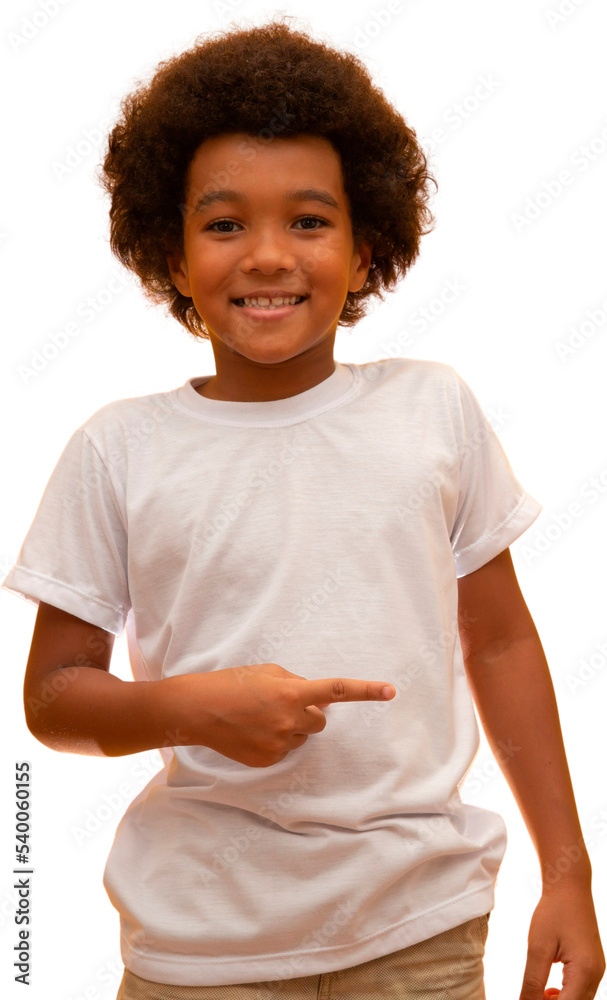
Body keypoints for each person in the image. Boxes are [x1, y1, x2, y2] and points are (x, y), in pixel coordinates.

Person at [2, 15, 604, 1000]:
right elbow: (55, 695)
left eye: (310, 221)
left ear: (368, 246)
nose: (270, 255)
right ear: (172, 254)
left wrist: (569, 875)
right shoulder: (118, 448)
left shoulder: (433, 408)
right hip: (198, 951)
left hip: (420, 930)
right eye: (226, 222)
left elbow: (497, 644)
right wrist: (192, 706)